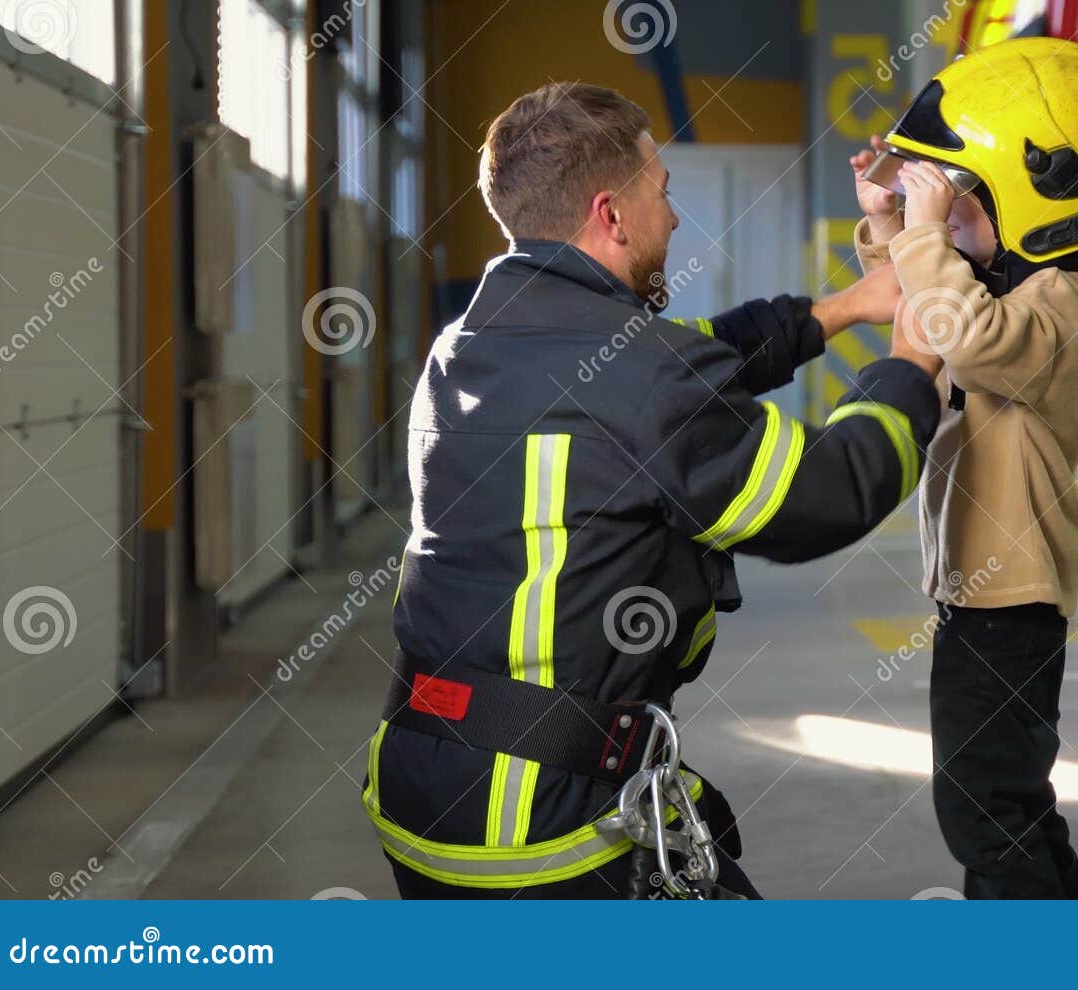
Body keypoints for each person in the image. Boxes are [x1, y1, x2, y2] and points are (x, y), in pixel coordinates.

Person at [363, 81, 944, 899]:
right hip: (537, 829)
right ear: (612, 214)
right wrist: (913, 364)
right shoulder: (635, 375)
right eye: (662, 195)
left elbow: (684, 364)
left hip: (423, 784)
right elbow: (830, 491)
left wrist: (842, 310)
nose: (672, 219)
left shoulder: (475, 341)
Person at [849, 37, 1078, 899]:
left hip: (1011, 603)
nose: (943, 227)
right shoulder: (1001, 293)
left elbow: (964, 334)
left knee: (985, 808)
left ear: (1035, 205)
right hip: (982, 596)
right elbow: (921, 311)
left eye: (962, 208)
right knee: (1006, 801)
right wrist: (889, 220)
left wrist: (917, 229)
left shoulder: (1060, 303)